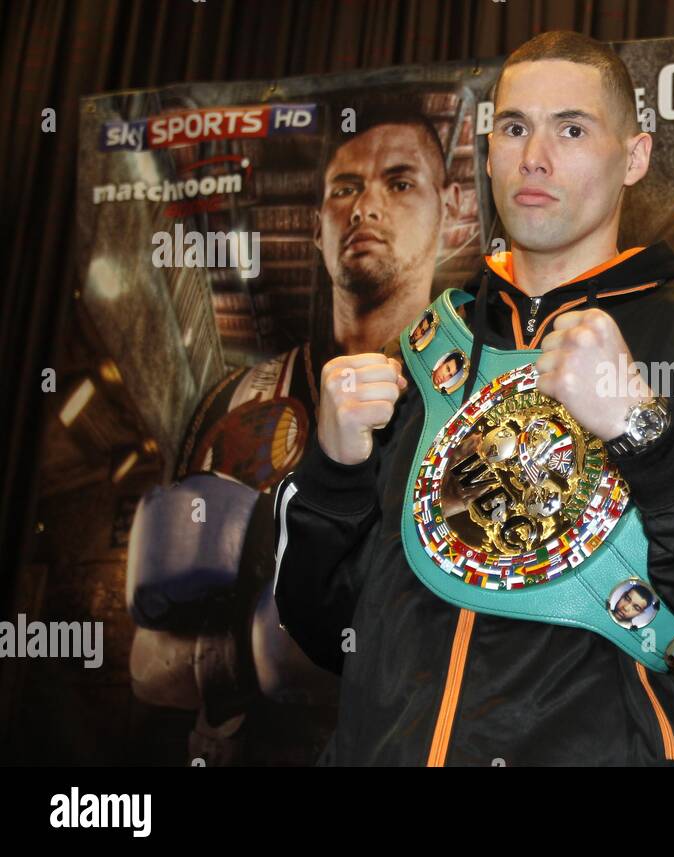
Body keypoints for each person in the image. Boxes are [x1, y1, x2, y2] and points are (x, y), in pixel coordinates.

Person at [271, 31, 674, 765]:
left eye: (571, 129)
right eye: (514, 128)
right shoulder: (424, 346)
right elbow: (323, 630)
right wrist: (334, 475)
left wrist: (646, 434)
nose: (534, 156)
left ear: (634, 157)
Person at [126, 104, 463, 762]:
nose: (366, 206)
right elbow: (156, 658)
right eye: (345, 188)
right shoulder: (240, 401)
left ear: (449, 208)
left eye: (399, 182)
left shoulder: (489, 394)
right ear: (316, 226)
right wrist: (241, 660)